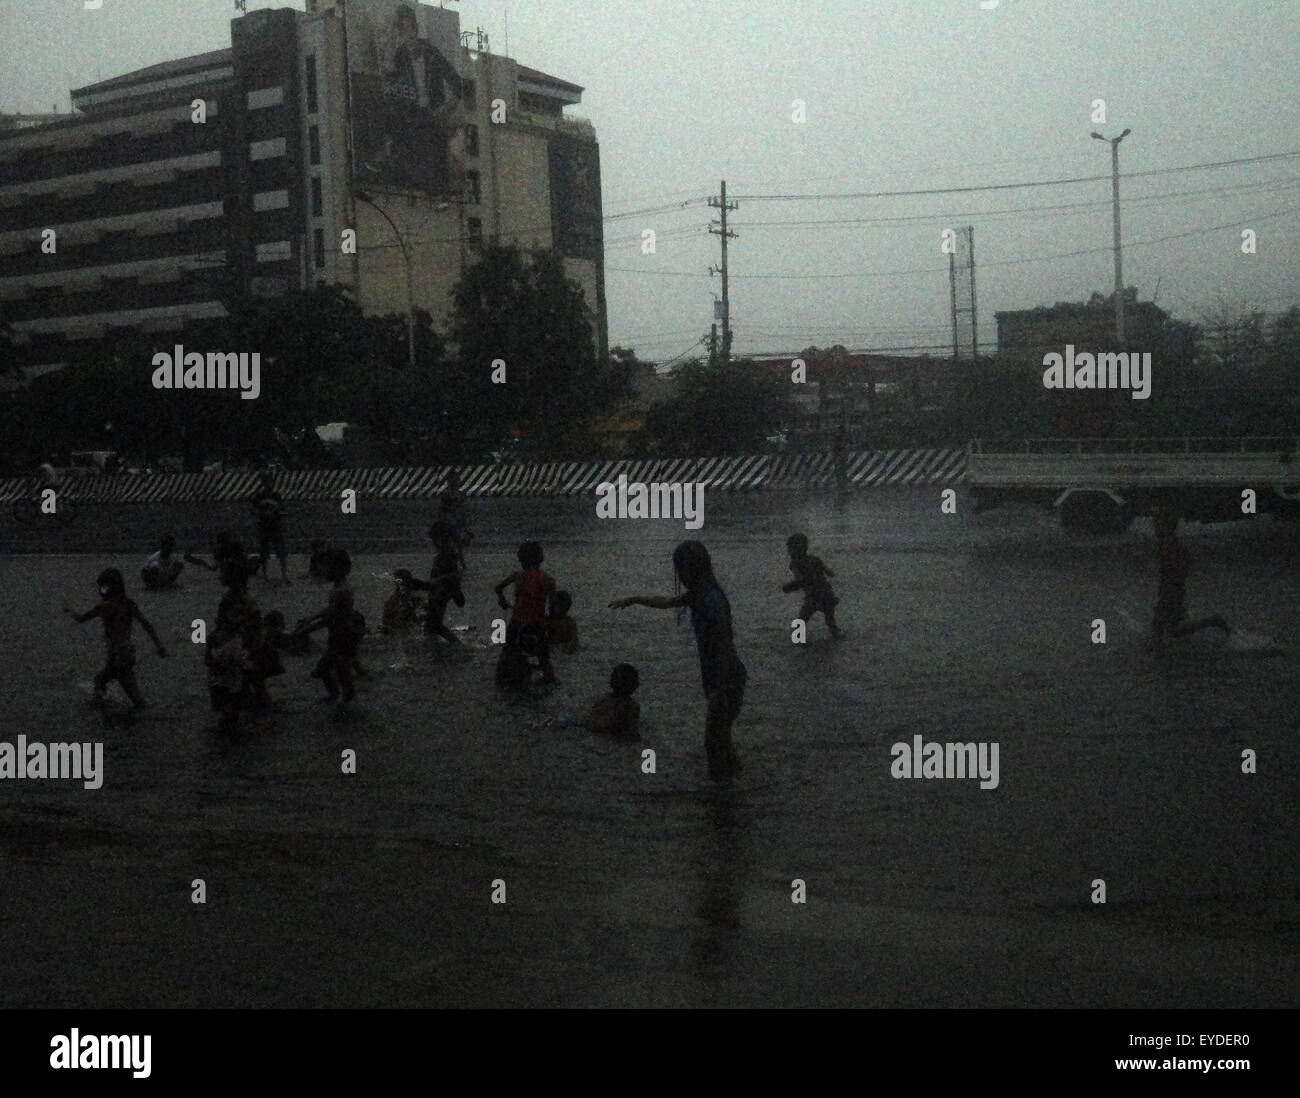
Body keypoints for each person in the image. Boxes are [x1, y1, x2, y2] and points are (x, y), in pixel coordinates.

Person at [610, 541, 746, 781]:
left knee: (713, 744)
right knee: (721, 740)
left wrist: (719, 691)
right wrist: (633, 599)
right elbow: (665, 602)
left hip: (725, 680)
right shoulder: (699, 595)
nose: (680, 576)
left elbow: (724, 645)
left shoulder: (711, 599)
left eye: (681, 570)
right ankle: (735, 789)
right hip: (723, 679)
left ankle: (722, 801)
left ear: (693, 569)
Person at [64, 567, 168, 709]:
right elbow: (146, 625)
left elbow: (81, 618)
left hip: (118, 655)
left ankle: (108, 712)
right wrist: (159, 645)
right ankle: (103, 709)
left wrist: (69, 611)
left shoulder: (104, 606)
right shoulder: (129, 604)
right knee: (102, 680)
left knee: (135, 698)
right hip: (126, 653)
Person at [1149, 510, 1230, 648]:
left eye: (1157, 523)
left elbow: (1176, 568)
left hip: (1171, 591)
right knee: (1164, 627)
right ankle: (1212, 621)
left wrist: (1170, 589)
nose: (1155, 527)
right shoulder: (1168, 543)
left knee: (1168, 629)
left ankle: (1214, 621)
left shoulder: (1169, 544)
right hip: (1171, 590)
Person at [294, 549, 364, 702]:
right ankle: (342, 697)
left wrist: (305, 629)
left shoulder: (340, 592)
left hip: (342, 639)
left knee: (331, 671)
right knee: (337, 671)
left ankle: (340, 699)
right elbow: (330, 611)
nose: (321, 570)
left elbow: (329, 618)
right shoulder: (340, 588)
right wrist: (311, 618)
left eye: (324, 567)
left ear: (336, 569)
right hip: (343, 638)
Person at [494, 541, 556, 685]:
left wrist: (503, 601)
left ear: (521, 559)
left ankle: (499, 682)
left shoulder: (518, 576)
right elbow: (552, 608)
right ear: (541, 558)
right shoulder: (548, 580)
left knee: (507, 654)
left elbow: (498, 588)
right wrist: (551, 624)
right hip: (537, 624)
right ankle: (550, 682)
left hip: (517, 623)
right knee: (544, 659)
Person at [407, 522, 465, 644]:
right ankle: (437, 648)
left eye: (434, 539)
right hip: (438, 591)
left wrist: (436, 582)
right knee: (432, 625)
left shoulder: (447, 553)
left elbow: (454, 575)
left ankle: (456, 645)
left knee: (434, 625)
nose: (433, 542)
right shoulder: (446, 551)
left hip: (441, 593)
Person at [782, 533, 842, 638]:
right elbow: (830, 573)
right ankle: (836, 634)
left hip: (813, 597)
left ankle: (799, 639)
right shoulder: (815, 559)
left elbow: (800, 580)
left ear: (793, 549)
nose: (788, 551)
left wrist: (788, 587)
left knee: (802, 619)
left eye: (789, 548)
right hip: (827, 595)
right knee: (830, 620)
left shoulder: (794, 564)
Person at [252, 470, 290, 583]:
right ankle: (265, 575)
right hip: (264, 526)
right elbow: (253, 511)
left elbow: (282, 509)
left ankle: (284, 575)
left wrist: (277, 513)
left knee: (281, 551)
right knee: (264, 552)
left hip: (275, 526)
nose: (269, 484)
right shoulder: (259, 496)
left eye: (270, 482)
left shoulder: (276, 496)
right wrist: (262, 514)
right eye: (267, 482)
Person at [437, 470, 472, 560]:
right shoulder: (448, 494)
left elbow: (461, 509)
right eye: (456, 479)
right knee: (453, 544)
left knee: (457, 544)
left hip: (455, 521)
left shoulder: (458, 494)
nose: (458, 481)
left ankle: (459, 563)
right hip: (450, 522)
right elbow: (443, 509)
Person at [382, 569, 423, 638]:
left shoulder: (392, 600)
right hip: (402, 633)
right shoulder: (392, 601)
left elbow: (386, 620)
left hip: (402, 633)